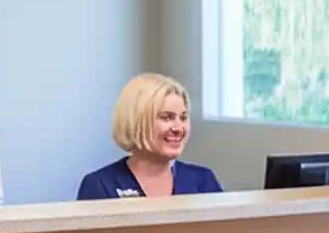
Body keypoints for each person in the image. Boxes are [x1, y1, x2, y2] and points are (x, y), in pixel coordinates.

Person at [77, 73, 223, 200]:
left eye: (183, 118)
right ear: (136, 121)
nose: (178, 128)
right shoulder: (100, 185)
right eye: (167, 118)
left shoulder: (203, 181)